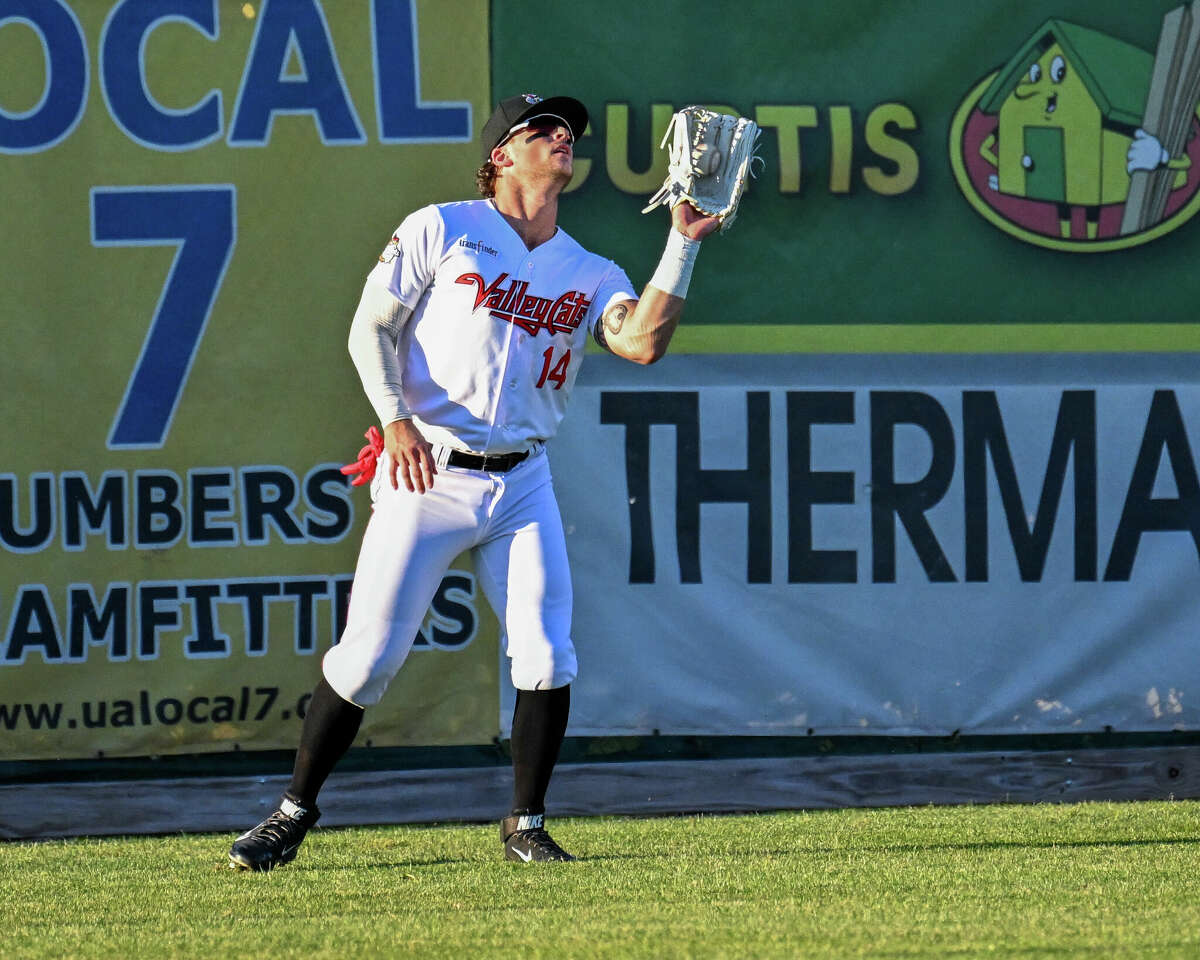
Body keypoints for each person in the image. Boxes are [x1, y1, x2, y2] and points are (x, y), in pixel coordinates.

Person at [228, 93, 720, 869]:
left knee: (548, 655)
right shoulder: (444, 227)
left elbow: (641, 343)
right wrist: (395, 421)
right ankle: (290, 814)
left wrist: (681, 245)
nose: (561, 137)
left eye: (568, 131)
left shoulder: (589, 269)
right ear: (500, 155)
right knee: (367, 659)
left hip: (522, 480)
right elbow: (370, 327)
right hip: (427, 469)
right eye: (542, 129)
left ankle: (525, 823)